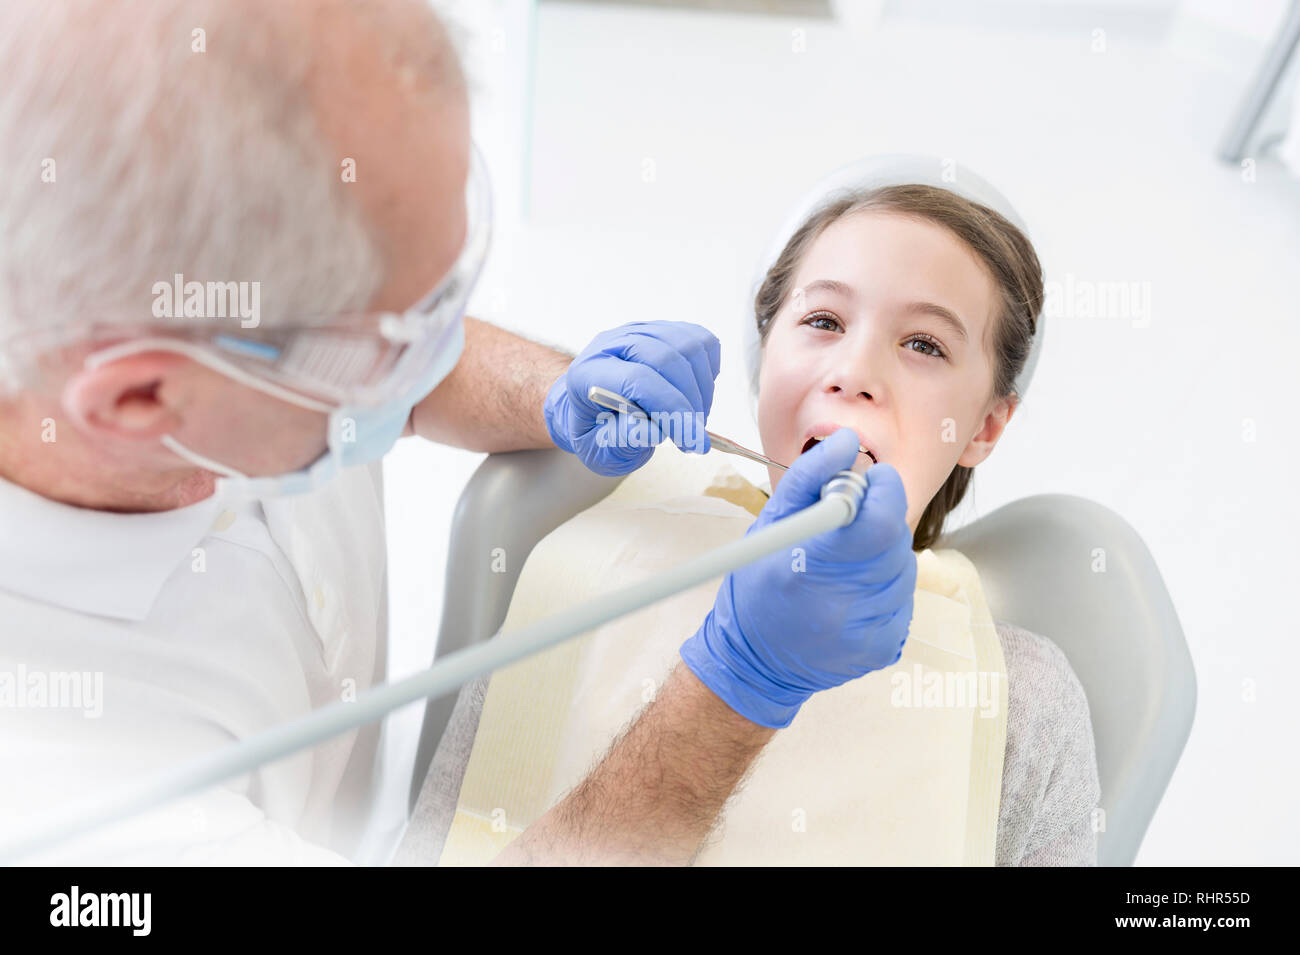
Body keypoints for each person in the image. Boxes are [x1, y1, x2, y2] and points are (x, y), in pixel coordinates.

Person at [0, 0, 915, 867]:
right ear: (137, 403)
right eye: (403, 334)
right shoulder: (79, 813)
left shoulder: (202, 313)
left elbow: (389, 345)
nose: (447, 343)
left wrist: (554, 391)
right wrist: (741, 687)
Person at [404, 182, 1101, 866]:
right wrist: (742, 675)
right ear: (762, 363)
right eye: (824, 321)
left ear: (984, 426)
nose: (854, 371)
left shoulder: (1023, 700)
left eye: (923, 343)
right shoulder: (591, 561)